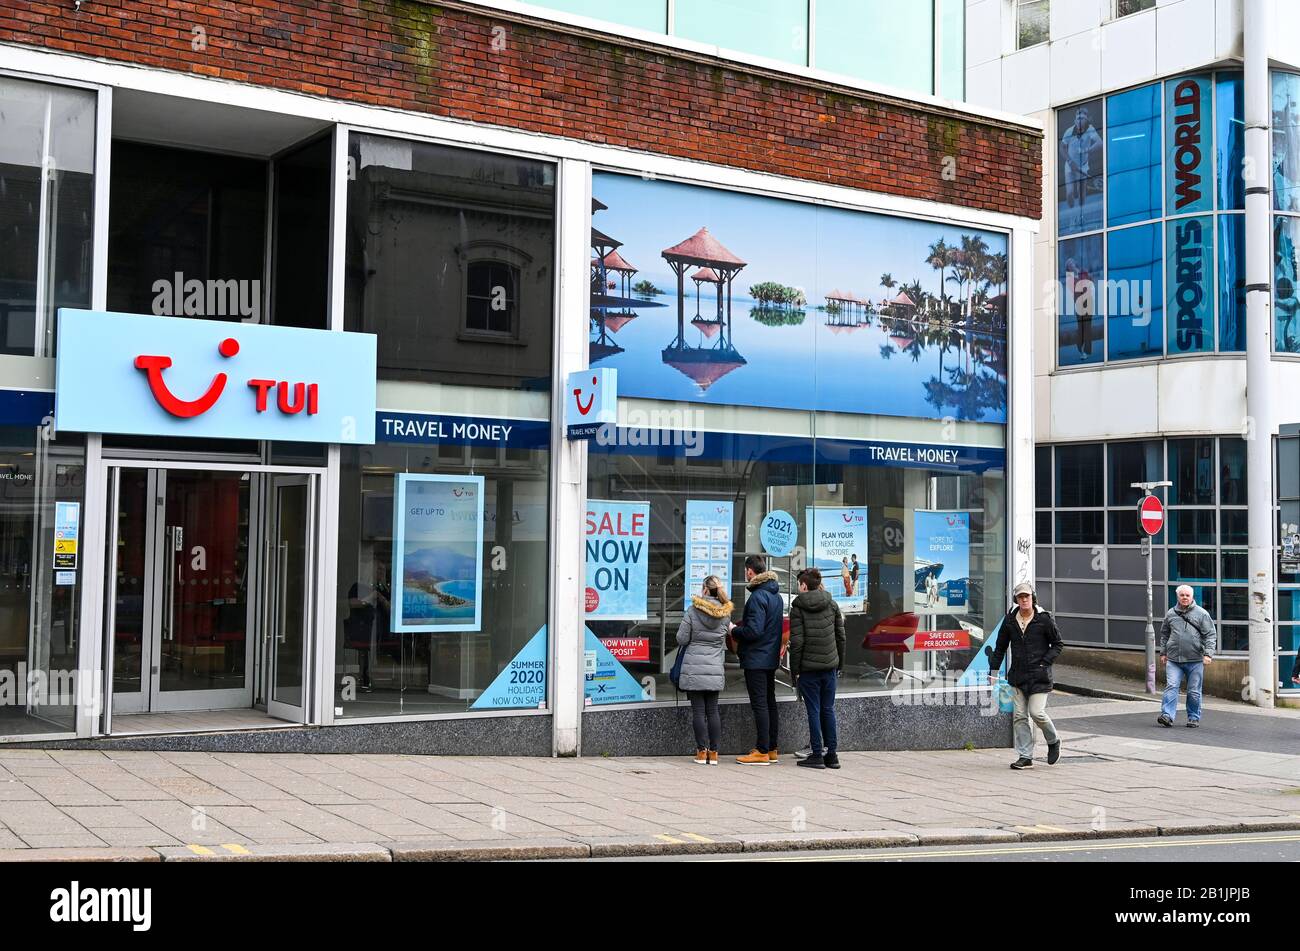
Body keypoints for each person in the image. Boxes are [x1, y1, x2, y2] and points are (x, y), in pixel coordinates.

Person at [986, 582, 1064, 770]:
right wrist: (994, 673)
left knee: (1036, 713)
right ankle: (1025, 756)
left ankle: (1053, 740)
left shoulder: (1044, 619)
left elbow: (1058, 644)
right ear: (1016, 600)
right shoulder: (1010, 621)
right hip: (1018, 677)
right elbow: (1000, 648)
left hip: (1039, 676)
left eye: (1027, 596)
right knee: (1019, 717)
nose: (1024, 600)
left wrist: (1044, 662)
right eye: (1020, 597)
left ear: (1033, 598)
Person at [789, 568, 845, 770]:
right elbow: (841, 636)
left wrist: (794, 671)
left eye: (799, 584)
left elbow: (797, 642)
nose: (798, 588)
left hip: (808, 669)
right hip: (830, 666)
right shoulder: (832, 603)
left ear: (804, 585)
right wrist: (840, 664)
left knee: (813, 711)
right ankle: (832, 755)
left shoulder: (797, 607)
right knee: (828, 709)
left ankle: (816, 755)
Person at [730, 554, 784, 765]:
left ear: (750, 571)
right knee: (770, 702)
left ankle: (761, 750)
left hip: (756, 658)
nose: (745, 574)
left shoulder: (757, 597)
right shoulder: (775, 596)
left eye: (746, 571)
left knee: (760, 704)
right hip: (769, 657)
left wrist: (735, 630)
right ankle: (771, 748)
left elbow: (753, 631)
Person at [675, 575, 731, 765]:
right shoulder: (725, 613)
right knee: (713, 711)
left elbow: (681, 639)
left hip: (693, 667)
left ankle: (701, 752)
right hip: (714, 666)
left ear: (705, 590)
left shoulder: (692, 611)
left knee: (698, 711)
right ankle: (714, 753)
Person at [1158, 585, 1217, 728]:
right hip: (1174, 659)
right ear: (1177, 596)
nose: (1184, 597)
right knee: (1171, 686)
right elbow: (1165, 634)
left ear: (1192, 597)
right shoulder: (1171, 613)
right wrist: (1163, 652)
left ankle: (1193, 717)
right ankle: (1167, 715)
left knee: (1194, 691)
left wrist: (1208, 654)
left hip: (1195, 660)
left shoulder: (1202, 614)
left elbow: (1210, 634)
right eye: (1182, 595)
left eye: (1187, 595)